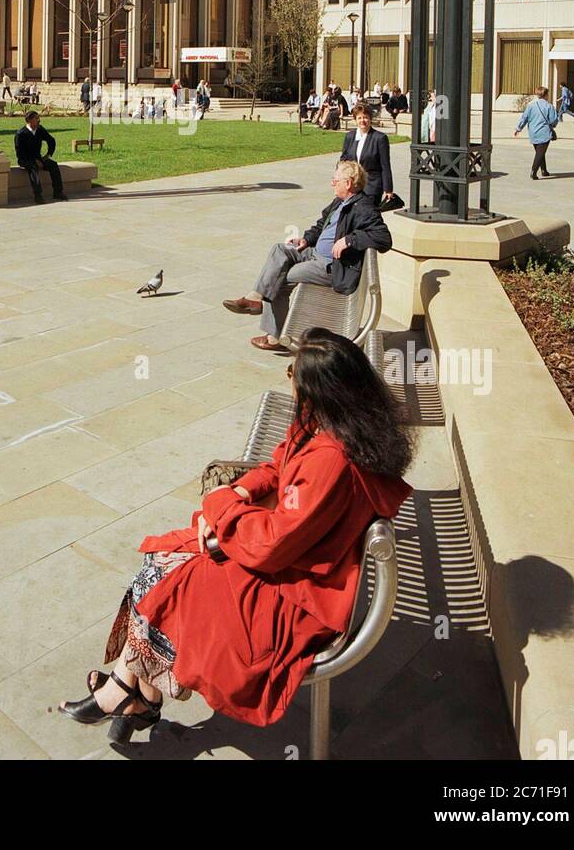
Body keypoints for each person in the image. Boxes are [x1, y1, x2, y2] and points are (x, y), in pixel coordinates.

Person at [57, 327, 413, 739]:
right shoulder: (331, 425)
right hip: (294, 564)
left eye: (293, 377)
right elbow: (279, 466)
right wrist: (242, 490)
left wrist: (220, 506)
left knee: (169, 569)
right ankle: (135, 693)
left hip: (299, 595)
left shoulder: (331, 459)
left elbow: (272, 543)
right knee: (168, 561)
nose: (290, 383)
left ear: (319, 393)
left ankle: (128, 693)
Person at [222, 160, 393, 351]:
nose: (332, 183)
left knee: (282, 278)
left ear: (349, 183)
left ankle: (275, 337)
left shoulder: (363, 207)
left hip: (331, 266)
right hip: (314, 253)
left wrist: (349, 240)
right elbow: (321, 226)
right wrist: (306, 239)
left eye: (335, 180)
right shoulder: (340, 202)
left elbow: (384, 238)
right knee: (280, 250)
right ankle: (255, 297)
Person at [341, 102, 395, 206]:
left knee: (368, 218)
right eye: (359, 118)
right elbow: (344, 160)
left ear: (370, 119)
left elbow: (385, 165)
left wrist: (388, 189)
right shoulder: (349, 137)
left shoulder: (380, 138)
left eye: (365, 117)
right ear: (355, 120)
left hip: (372, 187)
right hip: (353, 186)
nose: (363, 121)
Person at [14, 110, 67, 203]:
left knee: (53, 165)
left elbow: (51, 140)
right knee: (33, 168)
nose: (39, 120)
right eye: (36, 118)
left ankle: (58, 192)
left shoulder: (40, 130)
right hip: (25, 159)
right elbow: (20, 153)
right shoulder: (21, 134)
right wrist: (35, 161)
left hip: (39, 158)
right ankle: (38, 195)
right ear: (29, 120)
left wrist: (48, 155)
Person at [515, 86, 559, 180]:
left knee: (540, 152)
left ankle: (544, 170)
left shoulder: (531, 106)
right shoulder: (549, 106)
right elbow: (553, 120)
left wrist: (518, 128)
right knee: (540, 153)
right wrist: (553, 126)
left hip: (533, 132)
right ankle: (533, 171)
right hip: (544, 133)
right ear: (546, 95)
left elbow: (524, 118)